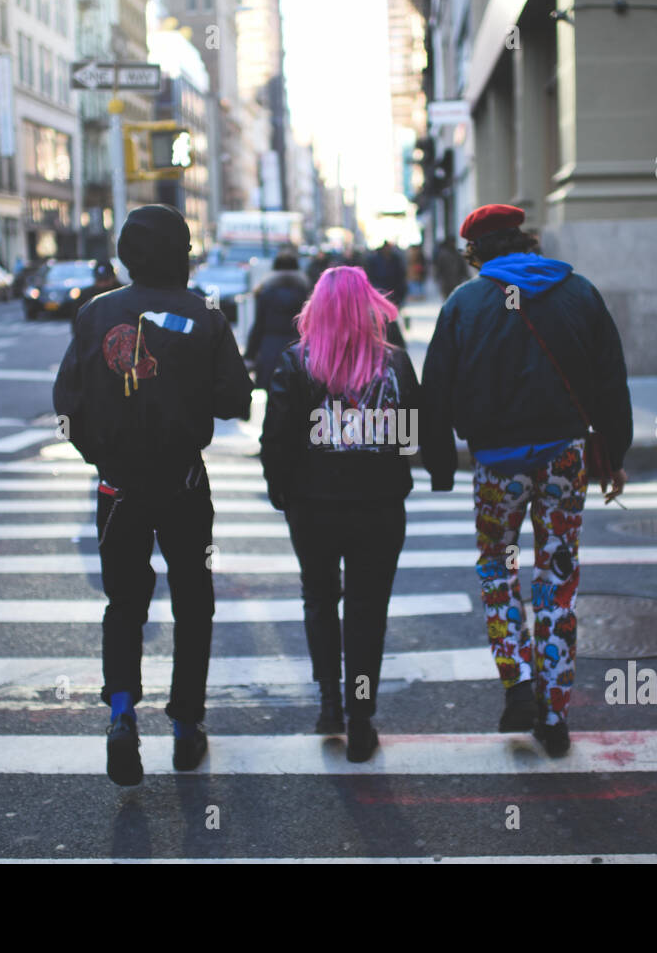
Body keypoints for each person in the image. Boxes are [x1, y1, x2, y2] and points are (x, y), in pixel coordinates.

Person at [421, 203, 632, 758]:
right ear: (527, 241)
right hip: (565, 456)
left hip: (496, 465)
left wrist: (441, 465)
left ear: (477, 254)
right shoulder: (578, 291)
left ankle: (516, 681)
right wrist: (614, 455)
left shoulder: (464, 304)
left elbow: (434, 391)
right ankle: (555, 714)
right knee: (558, 581)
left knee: (498, 567)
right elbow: (611, 377)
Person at [53, 204, 253, 784]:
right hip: (184, 483)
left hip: (117, 486)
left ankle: (121, 712)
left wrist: (101, 457)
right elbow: (235, 401)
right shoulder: (205, 315)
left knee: (124, 603)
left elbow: (67, 406)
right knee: (193, 602)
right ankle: (187, 725)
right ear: (179, 254)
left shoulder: (95, 314)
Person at [260, 266, 424, 763]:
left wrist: (280, 490)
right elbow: (409, 438)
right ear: (369, 307)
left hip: (312, 505)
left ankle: (329, 703)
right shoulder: (394, 365)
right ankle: (360, 717)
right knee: (367, 611)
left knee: (319, 597)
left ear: (319, 308)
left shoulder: (295, 362)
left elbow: (276, 440)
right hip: (378, 505)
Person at [246, 249, 310, 390]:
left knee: (272, 394)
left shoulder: (265, 294)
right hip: (298, 349)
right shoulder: (305, 294)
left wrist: (250, 356)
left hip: (270, 348)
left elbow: (258, 326)